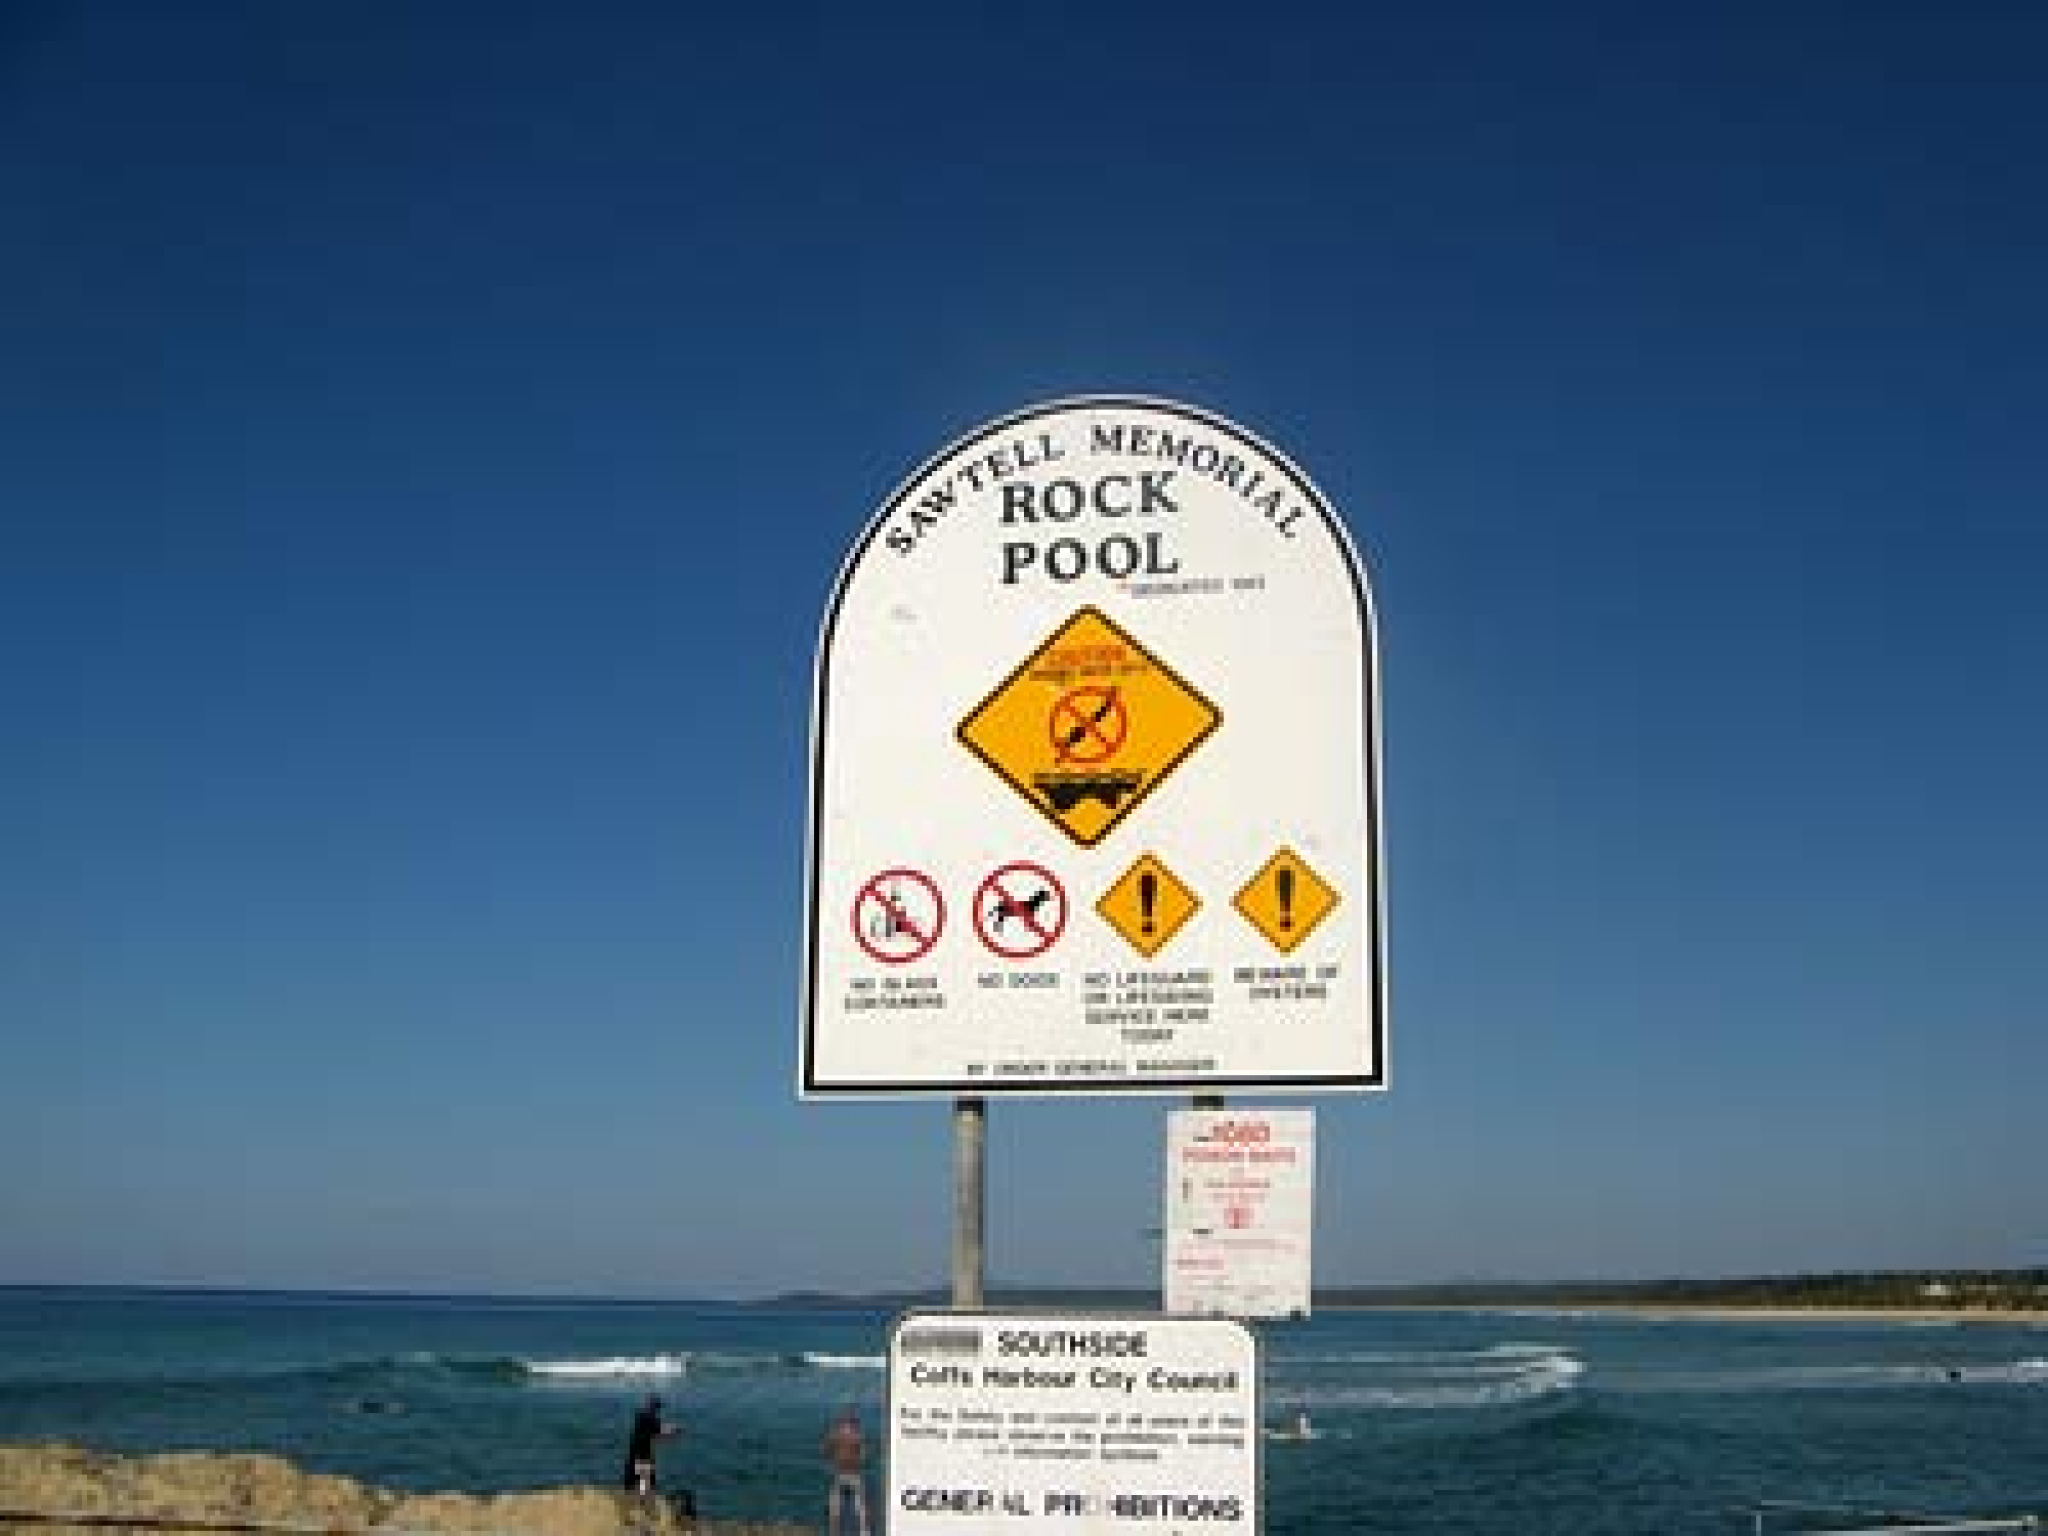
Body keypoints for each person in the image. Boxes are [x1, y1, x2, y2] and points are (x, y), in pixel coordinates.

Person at [822, 1405, 871, 1536]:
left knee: (836, 1505)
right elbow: (864, 1456)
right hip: (852, 1473)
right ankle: (864, 1532)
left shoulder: (837, 1435)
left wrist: (833, 1457)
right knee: (858, 1505)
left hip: (841, 1473)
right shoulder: (857, 1436)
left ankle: (835, 1532)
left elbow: (825, 1451)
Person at [621, 1393, 681, 1496]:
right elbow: (661, 1431)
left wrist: (670, 1429)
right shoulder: (651, 1419)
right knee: (644, 1485)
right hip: (644, 1455)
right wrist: (675, 1430)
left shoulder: (640, 1415)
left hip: (634, 1453)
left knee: (631, 1484)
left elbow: (656, 1430)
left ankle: (630, 1499)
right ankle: (641, 1500)